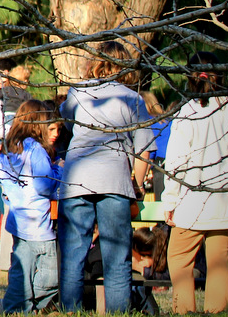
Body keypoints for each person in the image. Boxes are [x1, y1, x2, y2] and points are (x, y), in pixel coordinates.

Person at [57, 40, 155, 313]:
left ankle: (71, 311)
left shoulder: (77, 93)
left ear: (95, 62)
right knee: (117, 260)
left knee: (73, 256)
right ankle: (118, 312)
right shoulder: (131, 97)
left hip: (77, 179)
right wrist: (135, 184)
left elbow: (67, 120)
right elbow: (144, 148)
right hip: (115, 180)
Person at [163, 51, 228, 314]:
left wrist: (170, 201)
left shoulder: (187, 113)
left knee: (179, 259)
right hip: (226, 202)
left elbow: (175, 163)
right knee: (220, 263)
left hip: (192, 202)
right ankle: (218, 312)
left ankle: (183, 310)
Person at [0, 100, 61, 313]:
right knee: (51, 276)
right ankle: (15, 307)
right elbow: (44, 184)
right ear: (36, 124)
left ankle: (20, 305)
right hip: (38, 224)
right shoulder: (36, 150)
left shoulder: (11, 149)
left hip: (19, 223)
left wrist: (11, 192)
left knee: (22, 273)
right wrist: (59, 172)